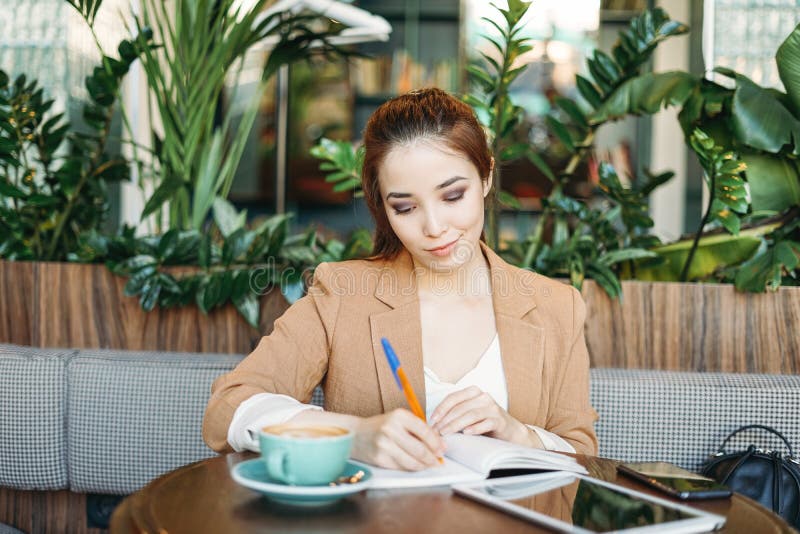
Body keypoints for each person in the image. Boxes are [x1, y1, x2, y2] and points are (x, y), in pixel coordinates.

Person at [203, 88, 598, 470]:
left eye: (453, 196)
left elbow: (583, 457)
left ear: (486, 177)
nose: (434, 227)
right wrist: (353, 434)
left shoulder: (556, 307)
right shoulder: (342, 296)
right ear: (383, 207)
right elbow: (227, 410)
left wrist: (520, 435)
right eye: (406, 207)